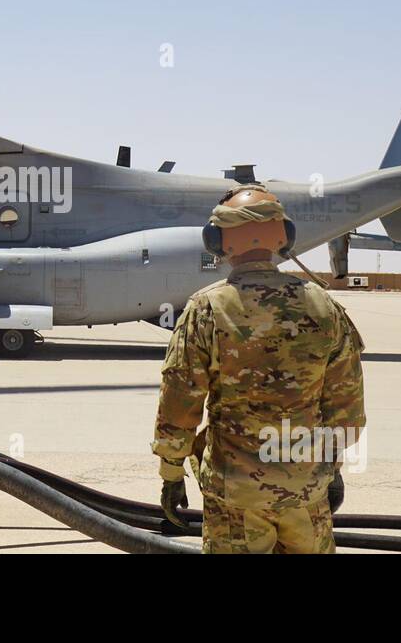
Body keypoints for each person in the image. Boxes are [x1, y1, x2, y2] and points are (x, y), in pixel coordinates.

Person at [152, 184, 365, 553]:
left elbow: (180, 401)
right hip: (306, 489)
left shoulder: (206, 309)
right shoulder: (324, 307)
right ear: (284, 237)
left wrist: (172, 474)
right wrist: (332, 469)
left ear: (218, 241)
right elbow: (346, 407)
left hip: (235, 495)